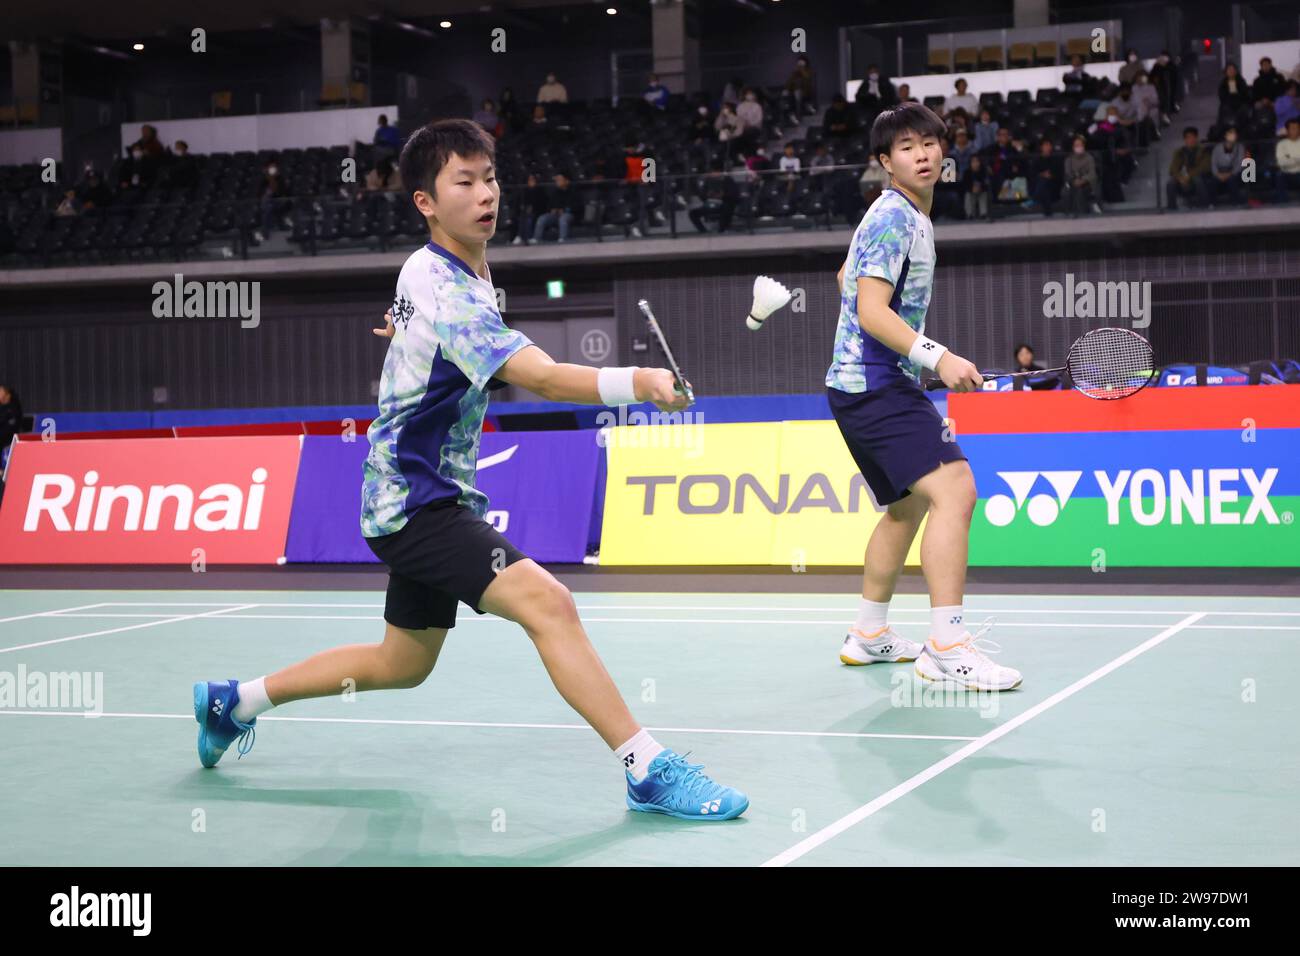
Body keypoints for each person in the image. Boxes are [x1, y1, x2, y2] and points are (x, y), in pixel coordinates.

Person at [193, 118, 747, 821]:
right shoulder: (444, 283)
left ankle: (232, 701)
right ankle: (648, 769)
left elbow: (410, 306)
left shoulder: (459, 273)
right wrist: (637, 381)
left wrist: (403, 326)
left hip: (423, 492)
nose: (486, 193)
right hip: (414, 499)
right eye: (465, 181)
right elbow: (539, 378)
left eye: (490, 178)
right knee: (550, 603)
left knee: (402, 664)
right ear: (425, 201)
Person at [826, 102, 1022, 692]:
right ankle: (948, 645)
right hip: (875, 382)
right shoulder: (896, 218)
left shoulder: (892, 214)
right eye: (906, 148)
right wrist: (938, 357)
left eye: (931, 144)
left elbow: (844, 280)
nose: (923, 154)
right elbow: (867, 307)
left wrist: (913, 358)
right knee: (956, 489)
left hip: (857, 382)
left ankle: (868, 633)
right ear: (885, 162)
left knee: (907, 507)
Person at [1166, 127, 1210, 210]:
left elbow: (1205, 167)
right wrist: (1180, 178)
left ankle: (1204, 206)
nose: (1190, 140)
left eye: (1192, 137)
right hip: (1183, 178)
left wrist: (1189, 176)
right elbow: (1173, 168)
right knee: (1170, 183)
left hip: (1199, 176)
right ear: (1184, 140)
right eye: (1187, 138)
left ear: (1196, 138)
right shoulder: (1179, 152)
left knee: (1197, 180)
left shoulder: (1204, 150)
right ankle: (1171, 208)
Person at [531, 172, 581, 243]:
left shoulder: (574, 192)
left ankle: (563, 238)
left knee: (564, 218)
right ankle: (536, 238)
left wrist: (565, 210)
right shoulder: (555, 192)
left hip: (571, 215)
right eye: (556, 180)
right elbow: (550, 205)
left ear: (567, 181)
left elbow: (578, 207)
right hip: (556, 216)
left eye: (559, 180)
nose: (557, 182)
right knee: (542, 218)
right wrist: (552, 210)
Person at [1204, 126, 1245, 206]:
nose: (1233, 135)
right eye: (1230, 133)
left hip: (1233, 172)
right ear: (1225, 135)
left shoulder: (1240, 147)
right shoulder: (1217, 148)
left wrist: (1230, 173)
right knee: (1212, 182)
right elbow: (1213, 163)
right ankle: (1212, 204)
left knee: (1233, 180)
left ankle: (1235, 204)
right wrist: (1217, 174)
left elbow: (1240, 163)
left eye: (1234, 133)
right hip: (1219, 172)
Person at [1063, 135, 1099, 216]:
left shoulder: (1089, 158)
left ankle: (1083, 214)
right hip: (1073, 182)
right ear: (1073, 147)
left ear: (1084, 146)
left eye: (1080, 145)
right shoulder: (1069, 159)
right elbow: (1068, 173)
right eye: (1076, 145)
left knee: (1080, 191)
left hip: (1087, 183)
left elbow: (1092, 173)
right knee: (1066, 192)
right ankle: (1068, 213)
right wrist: (1074, 180)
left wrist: (1083, 180)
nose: (1079, 147)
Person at [1274, 117, 1300, 203]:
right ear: (1287, 130)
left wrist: (1290, 158)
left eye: (1297, 128)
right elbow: (1281, 163)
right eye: (1292, 128)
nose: (1295, 131)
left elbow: (1286, 161)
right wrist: (1297, 160)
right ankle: (1282, 204)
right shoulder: (1281, 144)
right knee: (1279, 176)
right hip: (1286, 173)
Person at [0, 384, 22, 454]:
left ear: (8, 395)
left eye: (0, 391)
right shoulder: (2, 407)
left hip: (9, 438)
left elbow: (12, 427)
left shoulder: (14, 408)